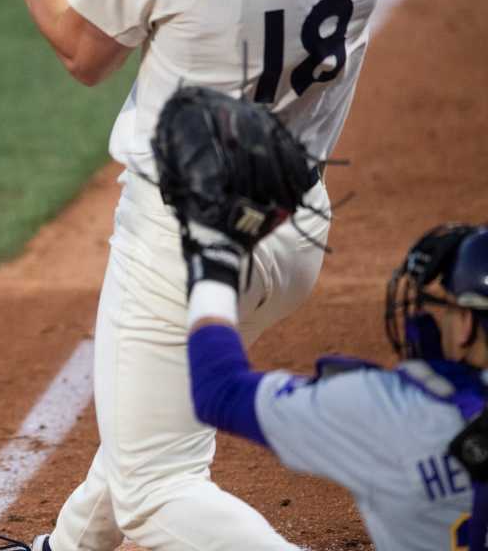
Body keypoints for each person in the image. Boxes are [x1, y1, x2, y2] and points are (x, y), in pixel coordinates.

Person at [0, 0, 387, 549]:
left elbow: (81, 50)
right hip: (297, 226)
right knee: (147, 420)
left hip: (179, 241)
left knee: (159, 489)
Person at [183, 217, 488, 551]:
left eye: (447, 309)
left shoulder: (386, 411)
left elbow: (219, 390)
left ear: (466, 326)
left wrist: (216, 257)